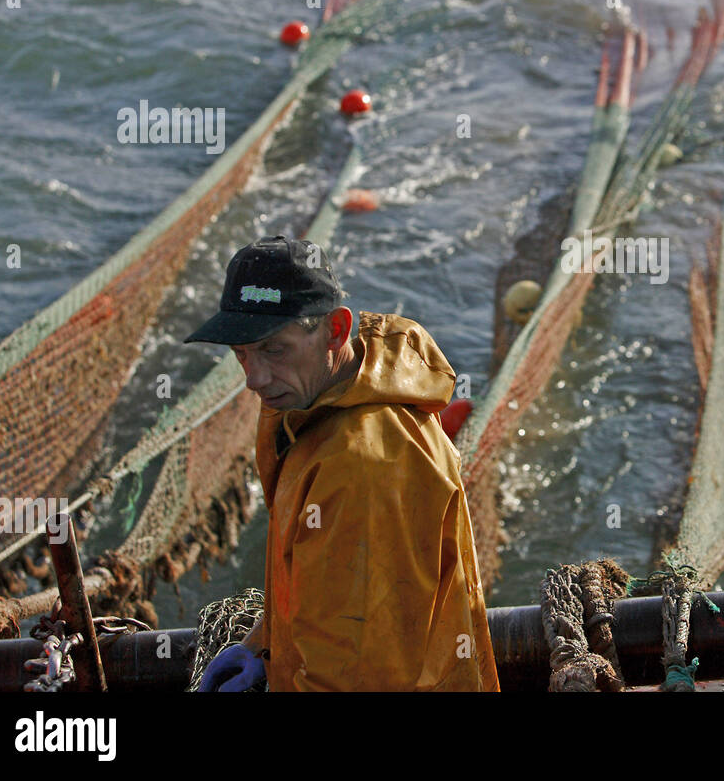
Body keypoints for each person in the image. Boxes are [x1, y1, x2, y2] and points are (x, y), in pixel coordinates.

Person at [185, 235, 498, 691]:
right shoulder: (317, 401)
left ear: (334, 330)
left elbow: (354, 675)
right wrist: (262, 645)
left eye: (274, 349)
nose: (254, 378)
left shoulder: (361, 467)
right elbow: (324, 593)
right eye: (241, 353)